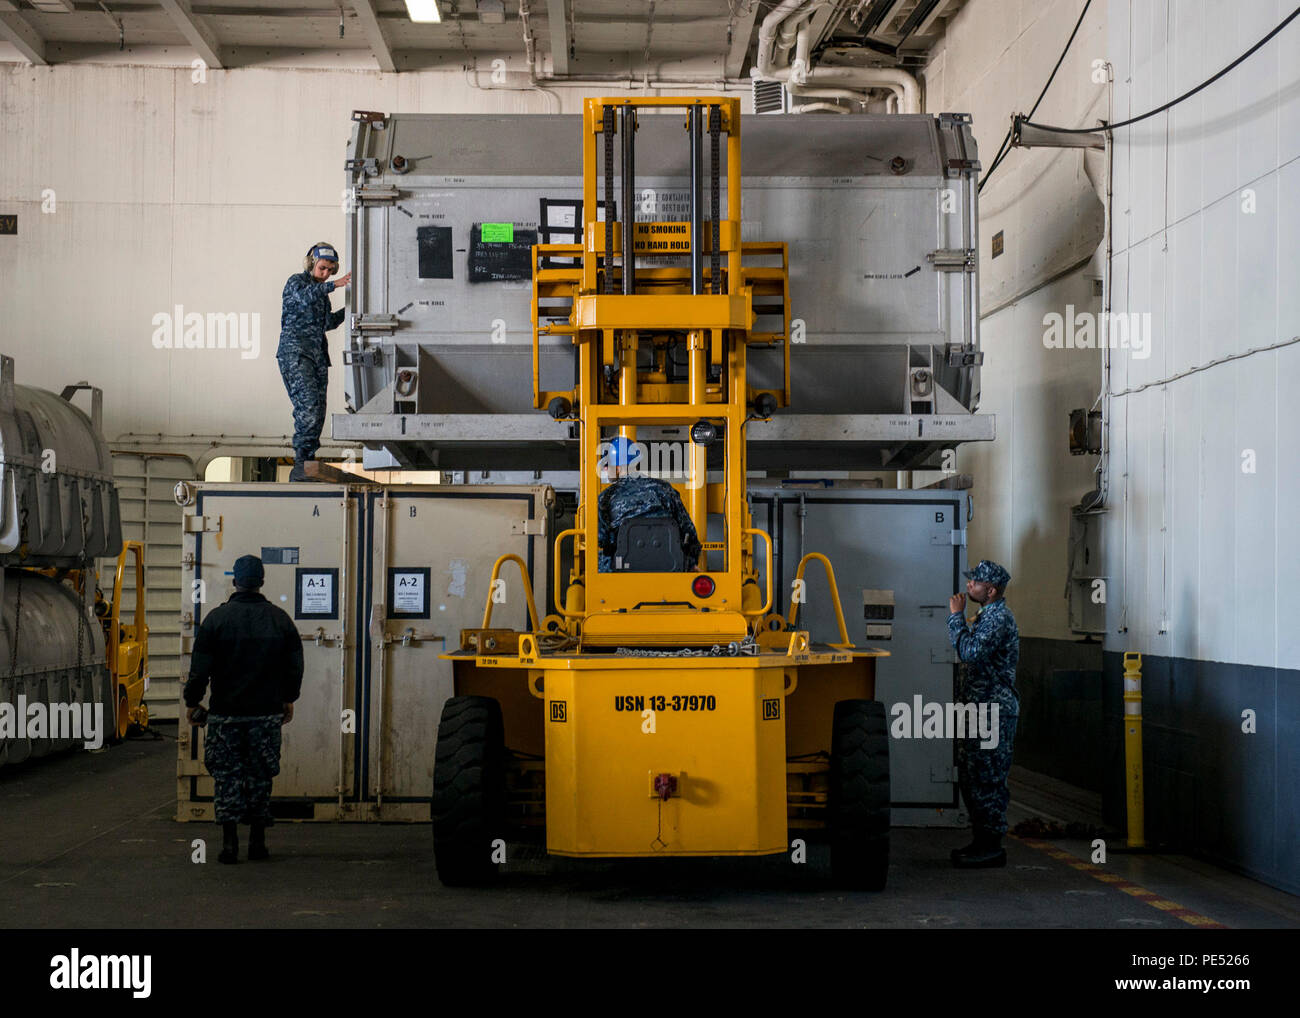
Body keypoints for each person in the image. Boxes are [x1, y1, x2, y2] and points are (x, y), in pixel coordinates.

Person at [183, 555, 303, 864]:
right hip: (265, 715)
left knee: (227, 778)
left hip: (225, 716)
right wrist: (288, 698)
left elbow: (199, 671)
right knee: (261, 776)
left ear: (235, 581)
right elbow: (294, 666)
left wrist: (193, 702)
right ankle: (259, 844)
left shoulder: (215, 620)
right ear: (261, 581)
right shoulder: (280, 619)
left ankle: (229, 845)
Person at [946, 559, 1019, 868]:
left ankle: (991, 846)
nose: (968, 586)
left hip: (993, 712)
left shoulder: (998, 618)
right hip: (978, 710)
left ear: (990, 590)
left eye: (974, 583)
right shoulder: (986, 615)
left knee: (988, 777)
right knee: (972, 775)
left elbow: (971, 651)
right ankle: (981, 841)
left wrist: (955, 619)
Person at [278, 243, 351, 481]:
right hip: (296, 353)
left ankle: (308, 459)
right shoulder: (297, 283)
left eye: (331, 270)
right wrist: (334, 285)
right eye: (322, 268)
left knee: (318, 411)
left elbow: (327, 323)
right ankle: (302, 462)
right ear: (311, 264)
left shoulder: (321, 292)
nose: (326, 274)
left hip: (318, 356)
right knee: (308, 406)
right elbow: (302, 298)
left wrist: (349, 310)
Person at [596, 436, 702, 572]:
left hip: (623, 569)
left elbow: (600, 541)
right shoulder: (665, 489)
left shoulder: (606, 498)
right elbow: (689, 533)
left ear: (617, 468)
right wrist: (690, 564)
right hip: (669, 566)